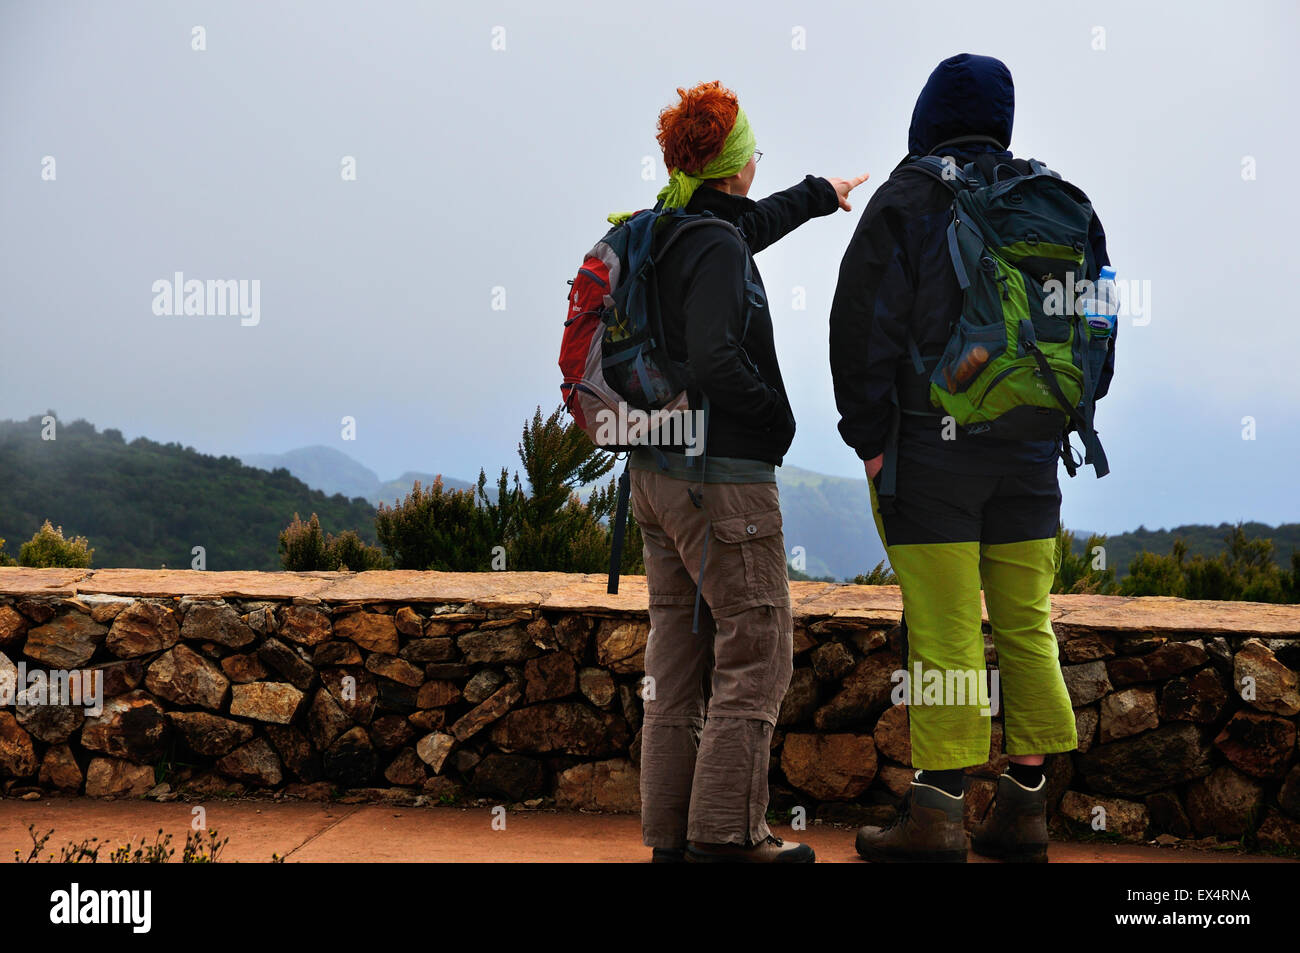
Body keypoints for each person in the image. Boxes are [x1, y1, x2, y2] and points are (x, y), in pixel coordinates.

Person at [829, 54, 1114, 863]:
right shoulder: (1062, 205)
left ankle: (937, 816)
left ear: (927, 112)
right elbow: (1100, 333)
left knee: (947, 631)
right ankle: (1025, 812)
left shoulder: (908, 197)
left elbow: (860, 331)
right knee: (1027, 626)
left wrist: (872, 444)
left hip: (928, 455)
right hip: (1032, 456)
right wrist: (1057, 417)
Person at [611, 80, 868, 863]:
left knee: (675, 668)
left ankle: (672, 842)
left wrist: (821, 194)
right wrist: (774, 419)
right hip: (721, 480)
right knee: (758, 649)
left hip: (654, 480)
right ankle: (728, 837)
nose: (760, 159)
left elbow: (750, 225)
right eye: (753, 148)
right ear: (736, 162)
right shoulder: (716, 247)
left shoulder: (665, 230)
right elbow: (720, 354)